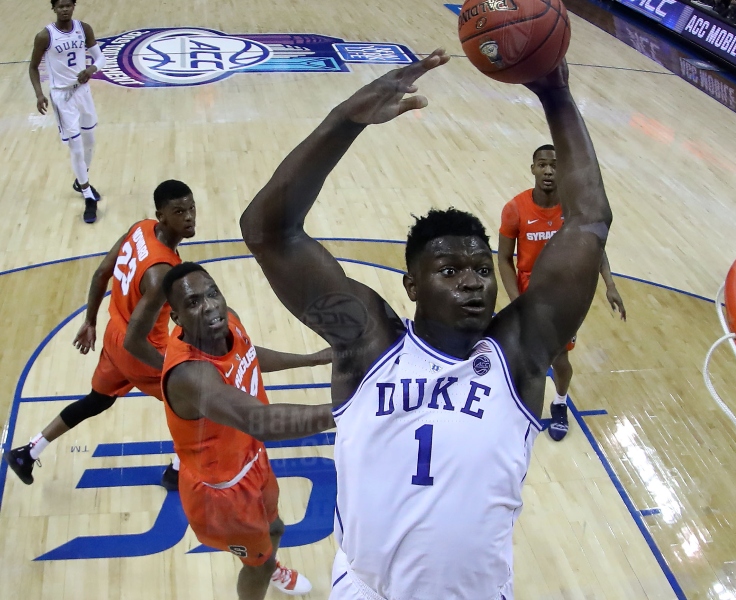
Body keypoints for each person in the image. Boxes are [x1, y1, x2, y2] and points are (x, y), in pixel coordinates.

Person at [239, 52, 614, 598]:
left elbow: (588, 222)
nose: (473, 282)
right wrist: (345, 120)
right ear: (411, 286)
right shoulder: (365, 342)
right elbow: (268, 232)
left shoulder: (519, 352)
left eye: (483, 269)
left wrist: (555, 93)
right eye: (449, 270)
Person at [157, 263, 334, 598]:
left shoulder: (227, 321)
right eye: (194, 302)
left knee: (276, 528)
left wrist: (310, 360)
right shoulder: (190, 376)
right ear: (177, 319)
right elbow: (262, 422)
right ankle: (264, 566)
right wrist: (351, 410)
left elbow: (248, 354)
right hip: (221, 492)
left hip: (251, 459)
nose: (210, 305)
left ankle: (267, 561)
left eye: (212, 293)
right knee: (258, 563)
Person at [5, 181, 196, 489]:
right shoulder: (162, 272)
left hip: (113, 336)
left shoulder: (140, 229)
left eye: (191, 208)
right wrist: (171, 371)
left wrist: (90, 321)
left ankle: (29, 451)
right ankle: (176, 471)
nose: (189, 217)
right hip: (142, 349)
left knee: (97, 400)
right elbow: (138, 337)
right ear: (162, 216)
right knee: (193, 401)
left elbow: (100, 273)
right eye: (179, 211)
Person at [497, 144, 626, 441]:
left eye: (554, 165)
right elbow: (504, 258)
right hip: (530, 293)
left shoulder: (574, 211)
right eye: (542, 164)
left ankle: (559, 403)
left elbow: (595, 249)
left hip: (565, 295)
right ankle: (518, 408)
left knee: (560, 360)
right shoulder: (515, 209)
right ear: (532, 169)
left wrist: (610, 285)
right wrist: (518, 302)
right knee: (525, 357)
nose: (548, 170)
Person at [29, 0, 107, 223]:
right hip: (62, 96)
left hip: (83, 91)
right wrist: (39, 94)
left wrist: (91, 69)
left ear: (74, 5)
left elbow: (100, 58)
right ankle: (87, 194)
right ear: (53, 8)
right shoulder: (45, 36)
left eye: (67, 5)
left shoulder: (84, 29)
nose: (64, 9)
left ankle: (81, 179)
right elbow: (33, 67)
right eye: (60, 6)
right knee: (76, 147)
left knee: (90, 141)